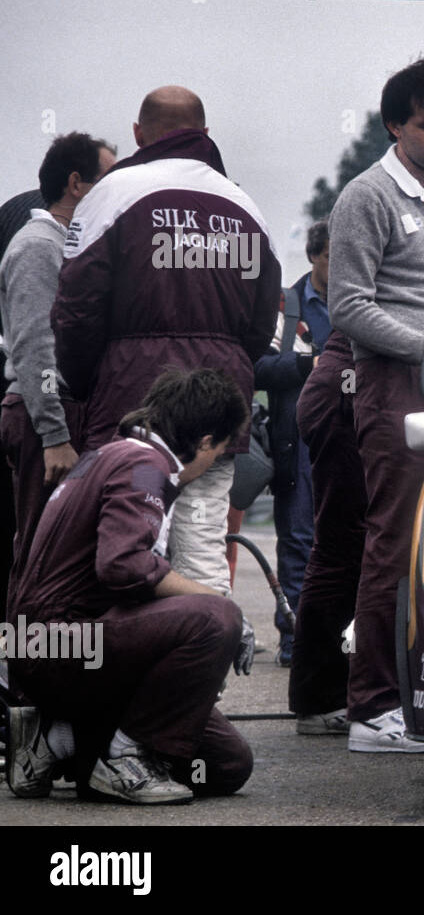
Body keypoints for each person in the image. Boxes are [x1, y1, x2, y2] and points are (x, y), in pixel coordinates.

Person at [52, 86, 281, 596]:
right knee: (203, 547)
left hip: (131, 407)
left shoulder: (111, 195)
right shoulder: (244, 205)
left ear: (138, 134)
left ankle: (131, 669)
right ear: (205, 135)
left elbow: (75, 312)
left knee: (128, 547)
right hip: (216, 414)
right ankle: (207, 669)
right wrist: (223, 379)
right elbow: (262, 326)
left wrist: (89, 384)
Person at [5, 368, 255, 804]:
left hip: (53, 645)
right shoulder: (146, 467)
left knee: (225, 763)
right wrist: (213, 603)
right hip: (66, 645)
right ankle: (122, 759)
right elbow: (122, 565)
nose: (214, 462)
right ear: (203, 442)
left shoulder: (112, 454)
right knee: (218, 617)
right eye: (219, 451)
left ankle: (55, 739)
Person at [328, 58, 424, 752]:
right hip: (392, 385)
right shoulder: (365, 197)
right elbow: (348, 307)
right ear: (394, 127)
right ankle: (372, 709)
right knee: (395, 541)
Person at [0, 134, 115, 601]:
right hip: (42, 418)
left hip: (58, 416)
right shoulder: (37, 247)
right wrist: (54, 437)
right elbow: (32, 347)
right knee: (37, 550)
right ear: (76, 184)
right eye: (109, 177)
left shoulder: (68, 245)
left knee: (59, 551)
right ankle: (23, 668)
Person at [253, 220, 332, 667]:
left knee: (349, 541)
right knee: (299, 540)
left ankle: (342, 641)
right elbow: (258, 367)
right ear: (315, 255)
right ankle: (296, 642)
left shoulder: (361, 301)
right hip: (297, 440)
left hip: (352, 439)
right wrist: (309, 366)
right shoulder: (287, 305)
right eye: (333, 257)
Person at [288, 327, 366, 735]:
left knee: (347, 546)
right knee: (343, 548)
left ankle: (329, 696)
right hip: (351, 388)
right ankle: (322, 699)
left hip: (354, 384)